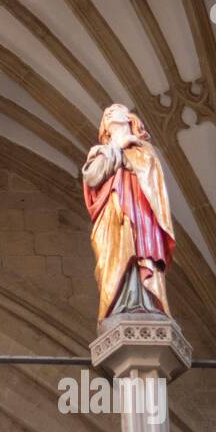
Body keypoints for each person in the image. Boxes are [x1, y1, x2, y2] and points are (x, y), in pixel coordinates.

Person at [82, 103, 175, 321]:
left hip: (141, 215)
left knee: (141, 255)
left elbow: (152, 182)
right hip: (112, 217)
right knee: (115, 259)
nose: (110, 112)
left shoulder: (143, 150)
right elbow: (92, 177)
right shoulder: (99, 152)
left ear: (129, 118)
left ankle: (146, 303)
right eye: (106, 113)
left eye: (116, 110)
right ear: (104, 127)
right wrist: (118, 148)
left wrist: (128, 154)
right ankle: (118, 306)